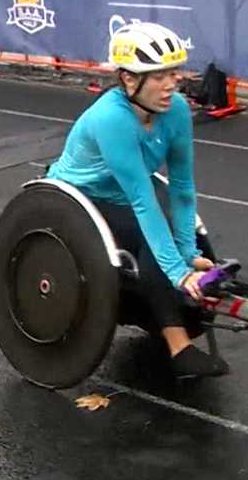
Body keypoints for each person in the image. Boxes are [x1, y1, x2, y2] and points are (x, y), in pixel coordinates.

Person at [46, 22, 229, 380]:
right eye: (159, 76)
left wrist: (187, 250)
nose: (172, 84)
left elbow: (182, 187)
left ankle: (161, 306)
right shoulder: (111, 118)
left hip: (124, 193)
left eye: (174, 73)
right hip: (78, 199)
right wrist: (179, 273)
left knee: (175, 236)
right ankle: (179, 348)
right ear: (129, 80)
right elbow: (143, 201)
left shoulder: (176, 110)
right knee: (151, 235)